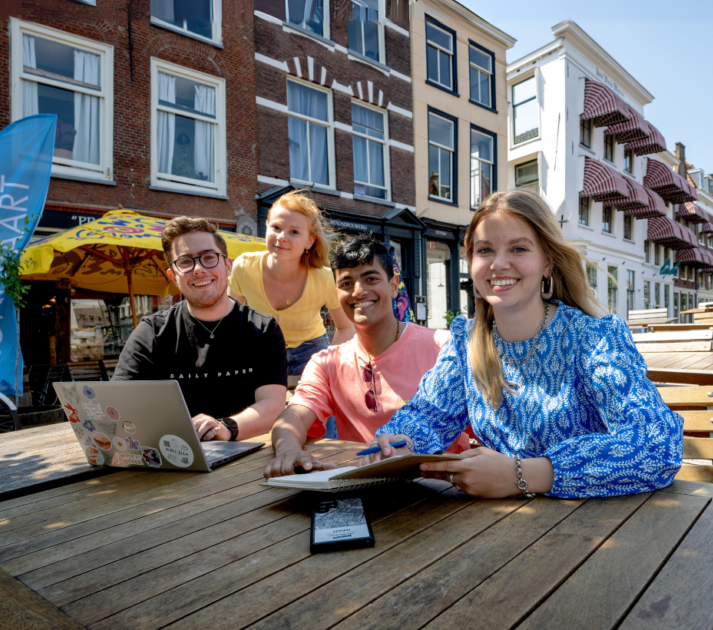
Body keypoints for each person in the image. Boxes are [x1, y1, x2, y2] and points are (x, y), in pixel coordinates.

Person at [362, 190, 682, 498]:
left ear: (547, 262)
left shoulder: (593, 340)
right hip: (499, 529)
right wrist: (402, 442)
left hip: (598, 527)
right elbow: (428, 416)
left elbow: (657, 445)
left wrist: (521, 475)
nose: (498, 263)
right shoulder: (465, 343)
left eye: (518, 249)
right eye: (485, 250)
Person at [263, 235, 469, 478]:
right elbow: (293, 416)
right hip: (365, 485)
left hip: (442, 488)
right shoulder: (326, 363)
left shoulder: (444, 347)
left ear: (393, 286)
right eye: (346, 283)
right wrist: (288, 450)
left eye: (371, 279)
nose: (358, 291)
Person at [112, 217, 288, 442]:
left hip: (246, 455)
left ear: (227, 266)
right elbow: (120, 402)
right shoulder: (151, 333)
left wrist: (226, 428)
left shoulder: (263, 329)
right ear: (174, 276)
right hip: (171, 456)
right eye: (185, 262)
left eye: (208, 257)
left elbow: (272, 405)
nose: (198, 269)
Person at [229, 191, 355, 378]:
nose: (281, 237)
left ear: (310, 242)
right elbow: (231, 322)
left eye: (294, 232)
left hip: (312, 353)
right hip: (260, 352)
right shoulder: (244, 266)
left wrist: (330, 364)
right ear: (266, 228)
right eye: (276, 227)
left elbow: (346, 327)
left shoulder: (324, 277)